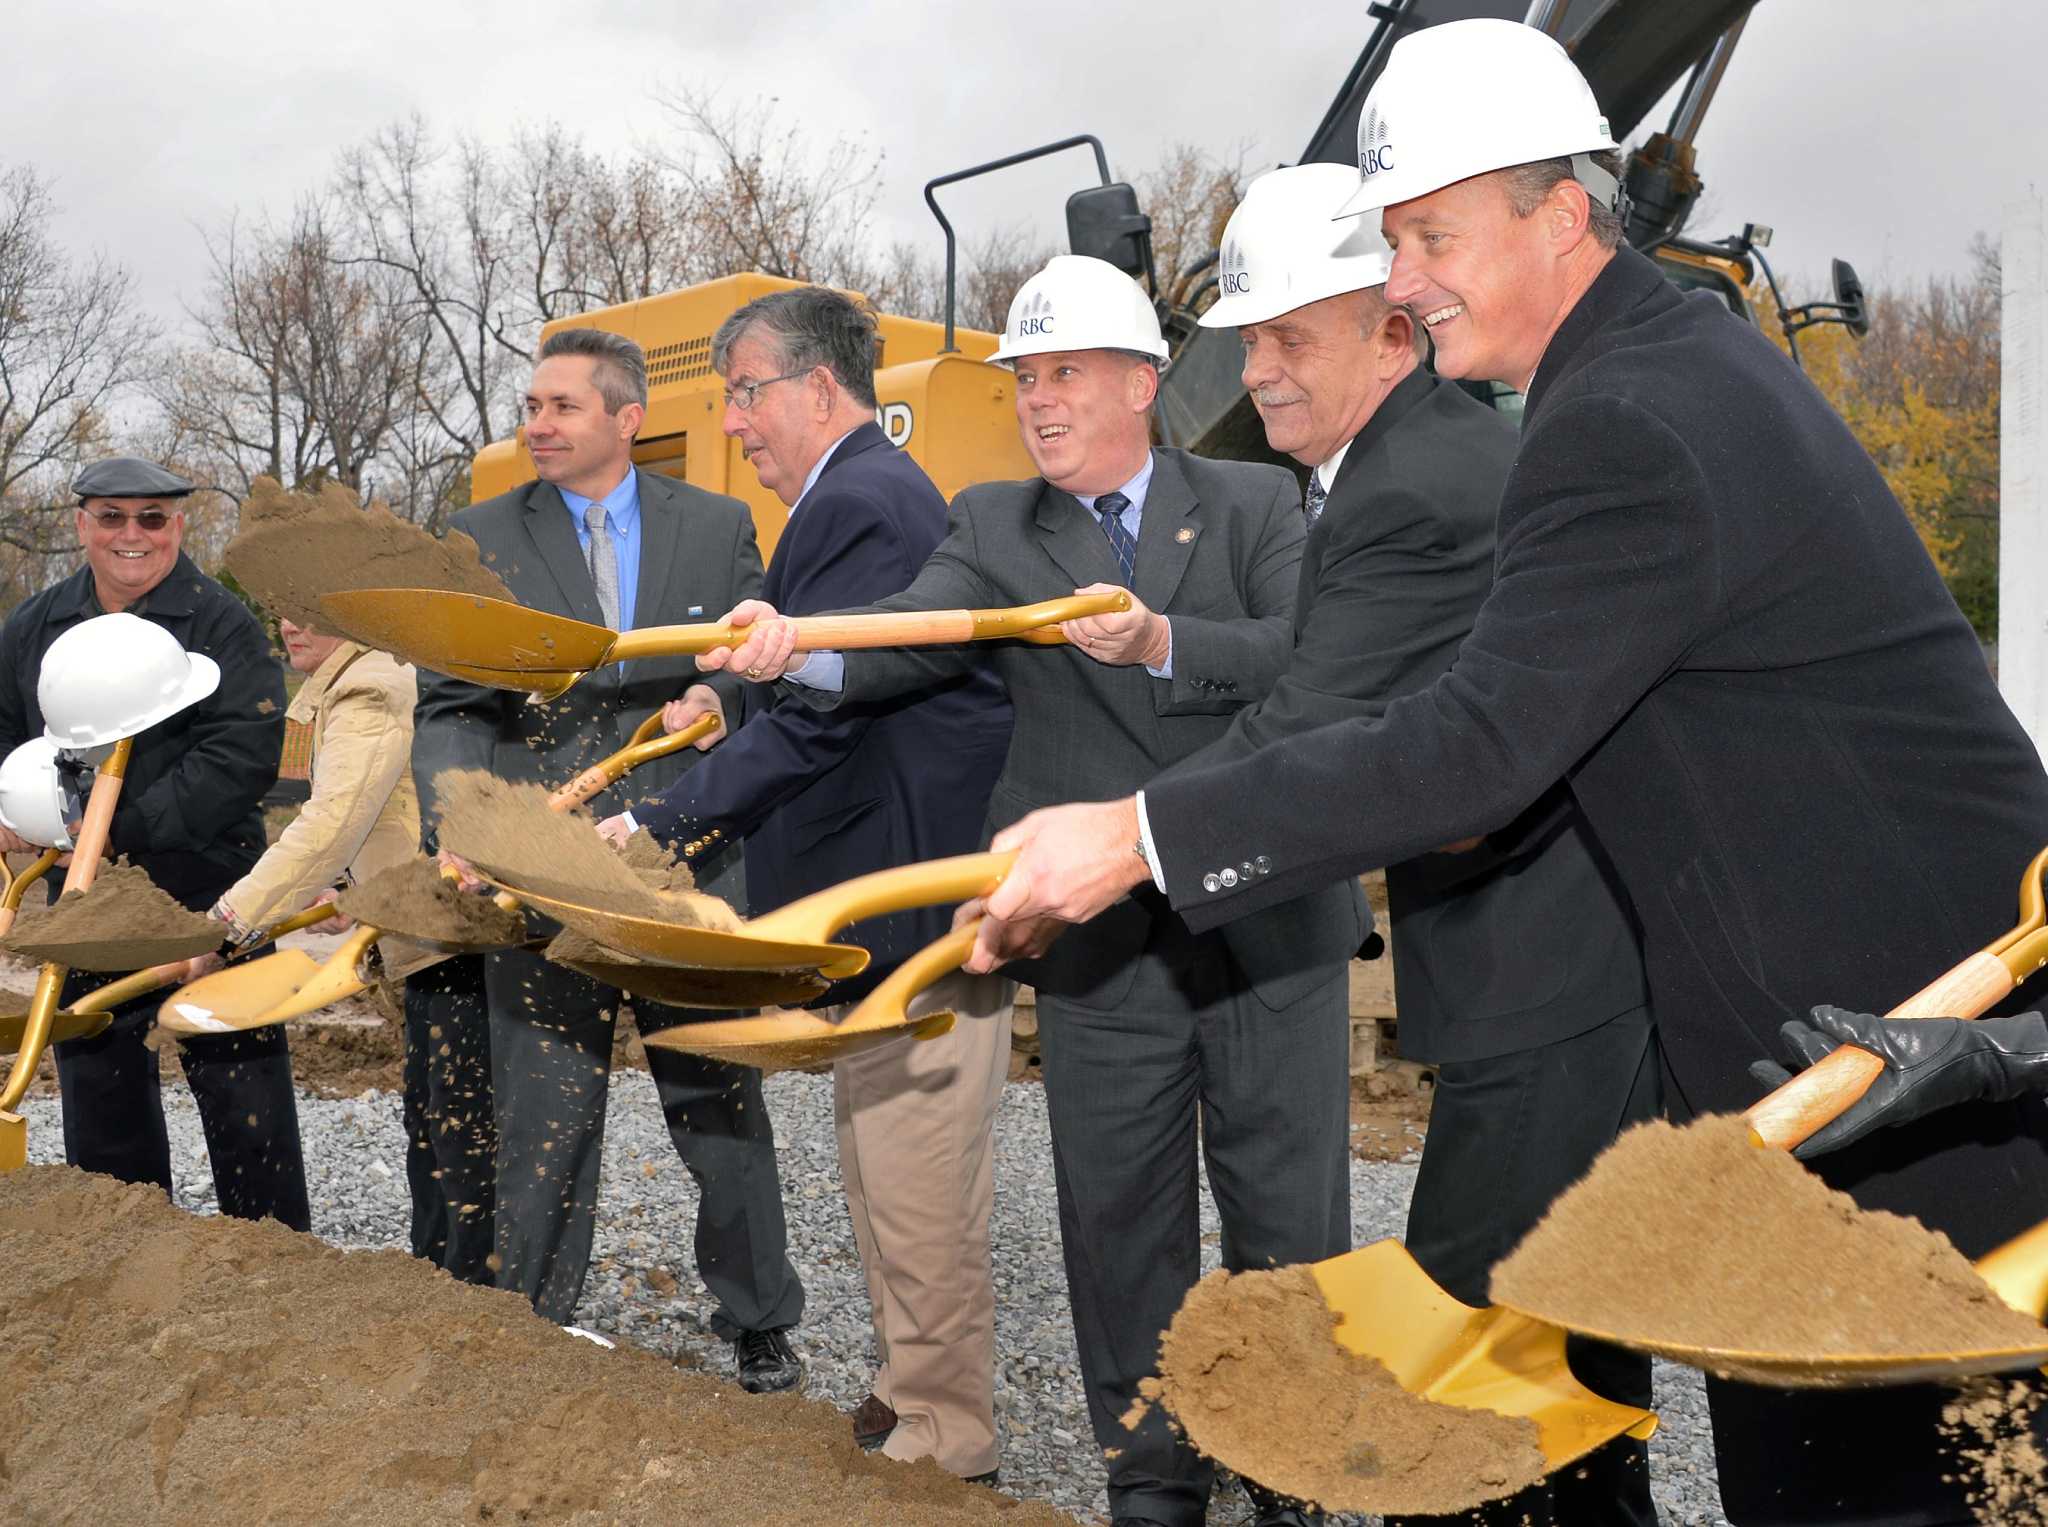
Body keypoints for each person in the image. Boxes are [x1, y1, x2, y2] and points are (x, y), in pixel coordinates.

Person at [965, 20, 2048, 1525]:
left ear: (1561, 215)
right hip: (1825, 1060)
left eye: (1433, 235)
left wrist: (1142, 831)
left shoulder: (1628, 416)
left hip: (1912, 1069)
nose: (1404, 279)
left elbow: (1476, 746)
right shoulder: (1646, 374)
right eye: (1397, 239)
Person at [701, 255, 1369, 1527]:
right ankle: (1153, 1475)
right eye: (1024, 378)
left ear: (1139, 382)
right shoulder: (998, 525)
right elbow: (914, 632)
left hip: (1268, 922)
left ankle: (1291, 1472)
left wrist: (1162, 639)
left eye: (1064, 373)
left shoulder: (1254, 502)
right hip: (1101, 946)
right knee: (1119, 1222)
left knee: (1286, 1212)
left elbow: (1309, 658)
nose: (1037, 400)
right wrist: (795, 647)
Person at [1175, 161, 1658, 1527]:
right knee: (1567, 1347)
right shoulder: (1388, 468)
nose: (1257, 370)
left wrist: (1100, 846)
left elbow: (1305, 727)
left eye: (1288, 337)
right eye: (1247, 338)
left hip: (1556, 981)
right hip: (1553, 970)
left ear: (1394, 329)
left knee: (1469, 1361)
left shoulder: (1417, 486)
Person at [599, 286, 1015, 1482]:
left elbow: (826, 718)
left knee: (919, 1178)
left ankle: (948, 1439)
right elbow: (803, 677)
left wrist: (653, 826)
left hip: (905, 911)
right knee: (886, 1164)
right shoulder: (851, 498)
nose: (733, 423)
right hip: (880, 908)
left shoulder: (863, 502)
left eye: (745, 392)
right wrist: (723, 693)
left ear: (818, 389)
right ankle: (904, 1390)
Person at [411, 328, 805, 1389]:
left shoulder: (717, 527)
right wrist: (466, 823)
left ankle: (759, 1316)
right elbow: (451, 703)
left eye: (561, 407)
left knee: (716, 1093)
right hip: (539, 873)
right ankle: (528, 1318)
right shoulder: (480, 536)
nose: (535, 425)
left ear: (625, 420)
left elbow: (763, 671)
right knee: (542, 1103)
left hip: (683, 864)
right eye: (529, 406)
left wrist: (720, 699)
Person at [0, 455, 310, 1229]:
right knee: (102, 1100)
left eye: (152, 517)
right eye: (111, 516)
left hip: (212, 894)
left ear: (178, 524)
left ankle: (275, 1264)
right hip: (84, 904)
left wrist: (113, 834)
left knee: (248, 1101)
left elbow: (239, 759)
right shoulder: (34, 627)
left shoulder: (223, 627)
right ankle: (124, 1261)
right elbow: (6, 740)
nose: (131, 534)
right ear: (82, 525)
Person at [205, 615, 495, 1281]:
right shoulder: (354, 678)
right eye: (285, 604)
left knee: (451, 1123)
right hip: (420, 929)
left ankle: (470, 1293)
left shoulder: (369, 687)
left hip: (445, 938)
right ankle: (443, 1279)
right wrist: (348, 892)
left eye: (312, 608)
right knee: (433, 1115)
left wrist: (229, 919)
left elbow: (335, 820)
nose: (289, 623)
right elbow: (383, 814)